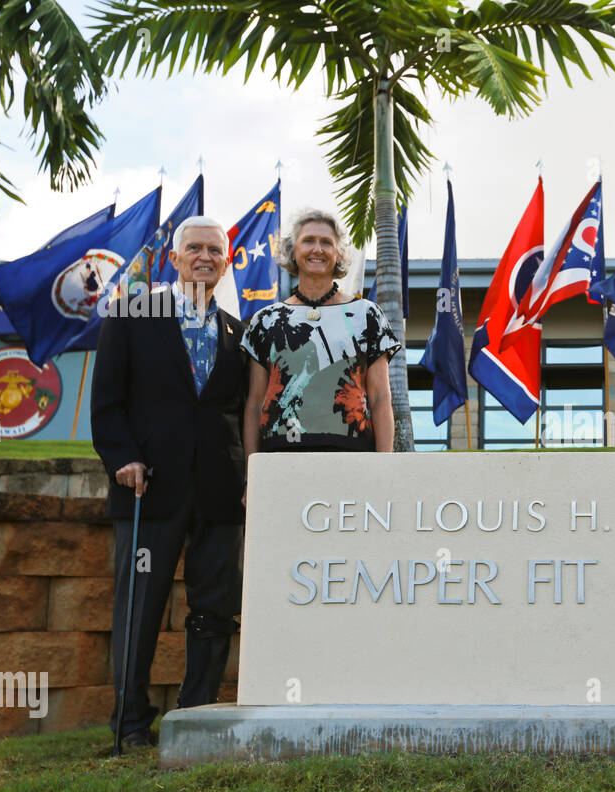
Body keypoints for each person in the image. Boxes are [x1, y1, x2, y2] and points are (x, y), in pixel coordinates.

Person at [91, 215, 247, 749]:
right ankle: (131, 725)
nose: (205, 257)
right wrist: (123, 458)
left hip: (220, 491)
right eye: (194, 248)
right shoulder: (132, 314)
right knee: (139, 608)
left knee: (215, 608)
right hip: (148, 489)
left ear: (225, 262)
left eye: (215, 250)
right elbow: (107, 403)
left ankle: (196, 714)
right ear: (174, 259)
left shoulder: (237, 331)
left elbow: (238, 411)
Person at [241, 209, 399, 459]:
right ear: (293, 251)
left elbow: (381, 397)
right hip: (279, 455)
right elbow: (253, 404)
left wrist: (384, 467)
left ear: (339, 254)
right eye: (308, 241)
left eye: (327, 242)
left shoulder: (367, 314)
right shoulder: (266, 320)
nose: (317, 249)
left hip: (352, 453)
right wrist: (251, 474)